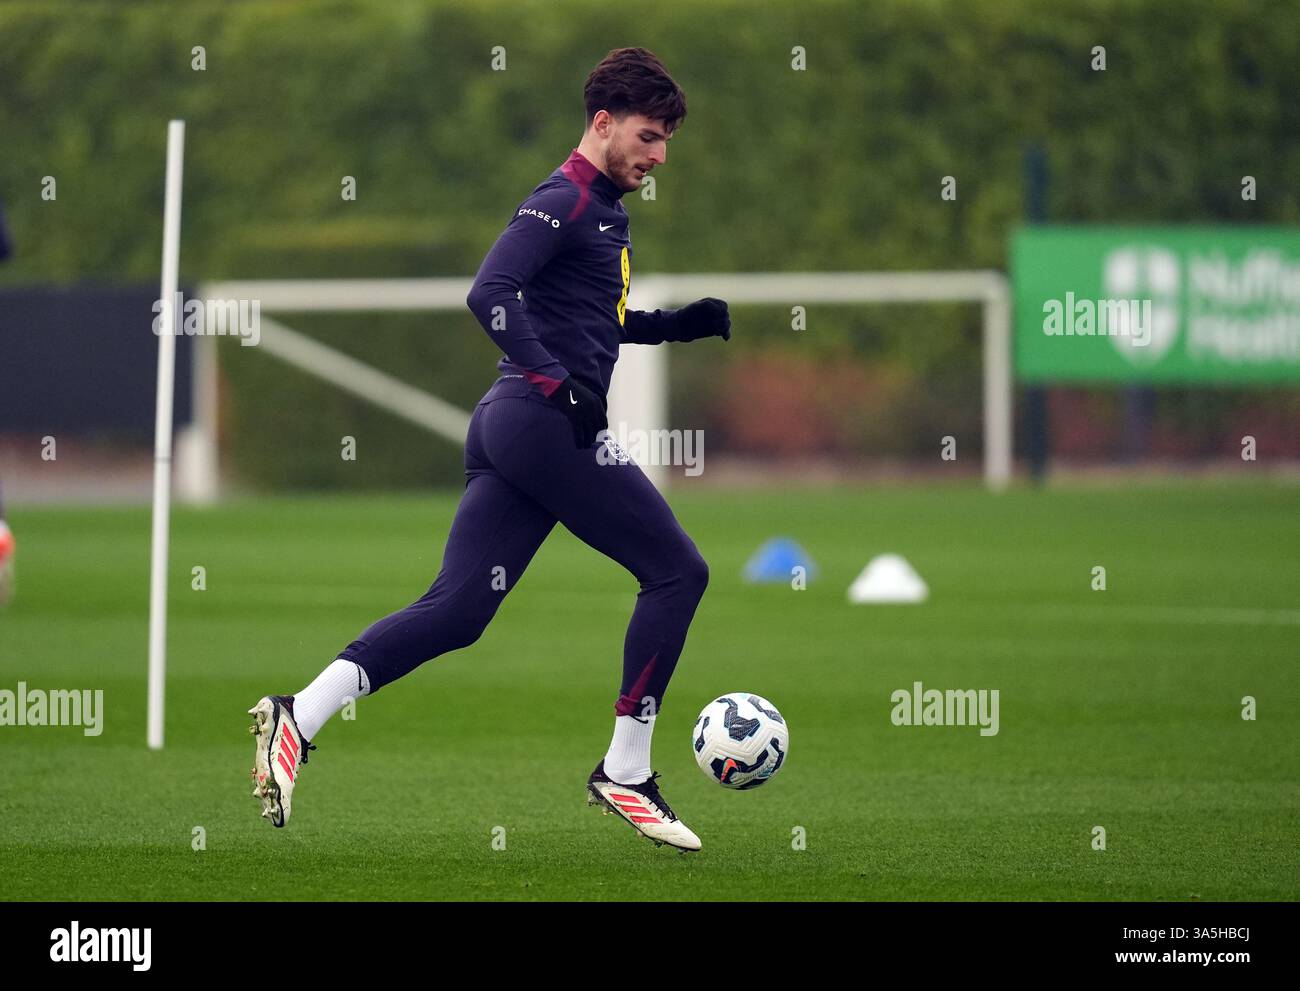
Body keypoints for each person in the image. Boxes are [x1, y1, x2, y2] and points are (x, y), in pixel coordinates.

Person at [249, 48, 731, 851]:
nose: (659, 156)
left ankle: (299, 713)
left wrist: (666, 325)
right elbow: (489, 291)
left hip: (516, 427)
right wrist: (556, 382)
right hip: (543, 426)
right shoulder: (564, 197)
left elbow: (582, 317)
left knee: (461, 610)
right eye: (649, 136)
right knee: (679, 571)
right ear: (602, 124)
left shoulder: (604, 206)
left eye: (668, 141)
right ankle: (625, 769)